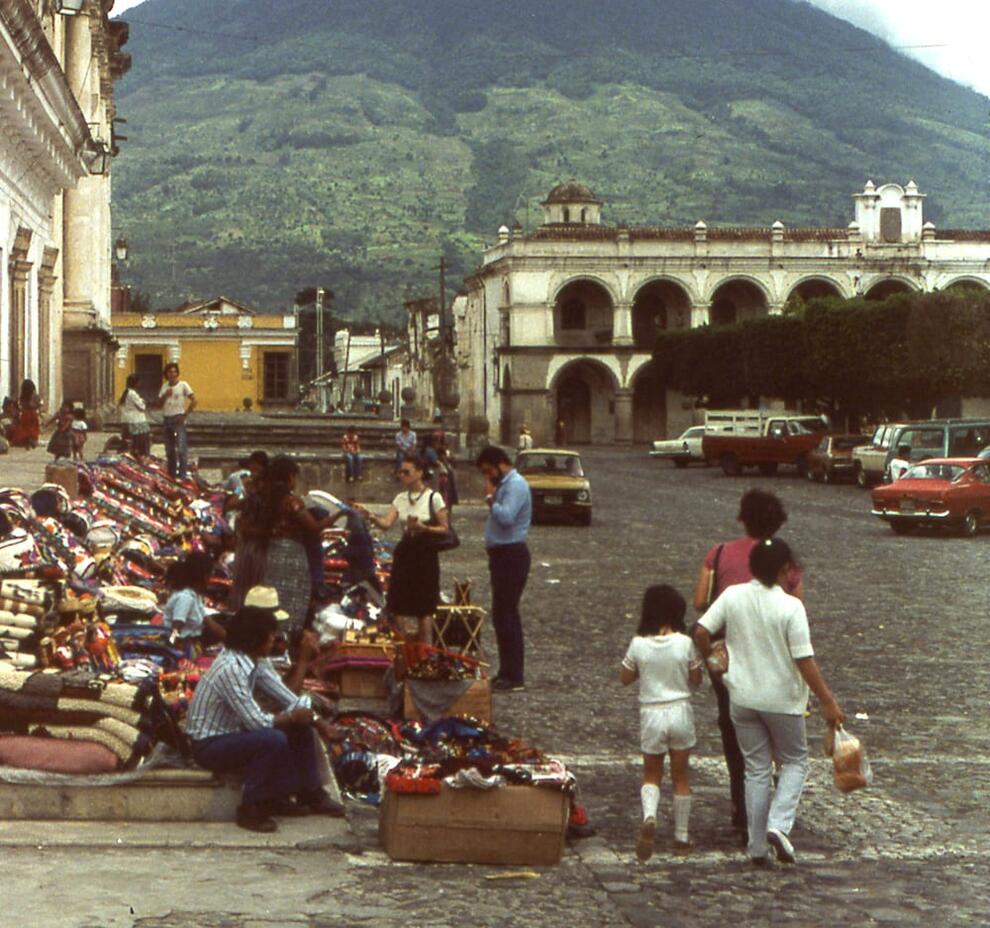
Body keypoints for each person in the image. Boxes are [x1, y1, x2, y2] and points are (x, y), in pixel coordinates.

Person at [694, 539, 844, 867]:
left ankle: (757, 845)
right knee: (794, 762)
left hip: (742, 696)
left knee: (756, 769)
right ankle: (779, 825)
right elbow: (805, 660)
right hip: (782, 700)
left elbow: (702, 631)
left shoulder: (733, 595)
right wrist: (828, 702)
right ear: (782, 569)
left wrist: (716, 663)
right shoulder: (791, 607)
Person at [692, 488, 802, 842]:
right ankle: (774, 814)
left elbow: (698, 603)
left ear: (742, 518)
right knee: (781, 740)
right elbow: (797, 610)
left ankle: (744, 813)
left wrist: (713, 660)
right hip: (775, 657)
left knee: (736, 735)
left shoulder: (719, 553)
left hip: (728, 657)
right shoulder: (787, 560)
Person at [186, 605, 344, 833]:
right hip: (209, 745)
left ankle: (309, 793)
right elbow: (256, 722)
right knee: (273, 739)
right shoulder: (231, 668)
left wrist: (318, 723)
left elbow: (286, 696)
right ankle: (251, 808)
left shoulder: (253, 662)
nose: (274, 639)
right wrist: (292, 717)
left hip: (231, 734)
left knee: (300, 729)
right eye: (269, 635)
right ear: (255, 638)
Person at [620, 585, 703, 862]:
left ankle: (650, 815)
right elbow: (696, 679)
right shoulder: (685, 643)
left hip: (652, 712)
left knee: (651, 775)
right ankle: (681, 836)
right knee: (681, 777)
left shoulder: (638, 643)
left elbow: (625, 677)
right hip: (680, 710)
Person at [358, 454, 449, 643]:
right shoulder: (400, 498)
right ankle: (406, 641)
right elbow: (386, 524)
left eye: (406, 472)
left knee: (424, 605)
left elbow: (445, 528)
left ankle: (424, 647)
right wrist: (371, 516)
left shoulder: (434, 497)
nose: (402, 475)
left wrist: (425, 528)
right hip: (406, 552)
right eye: (400, 472)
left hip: (425, 554)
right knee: (397, 600)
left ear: (419, 473)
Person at [477, 445, 532, 692]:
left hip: (511, 555)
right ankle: (506, 671)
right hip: (501, 555)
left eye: (489, 472)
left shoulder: (516, 485)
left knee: (507, 614)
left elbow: (507, 517)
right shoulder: (505, 485)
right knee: (501, 615)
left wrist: (490, 499)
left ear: (500, 464)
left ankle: (515, 675)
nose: (488, 478)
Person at [260, 456, 336, 631]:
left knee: (275, 595)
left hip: (272, 552)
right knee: (292, 598)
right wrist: (338, 516)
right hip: (292, 554)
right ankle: (289, 635)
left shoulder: (267, 500)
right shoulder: (292, 502)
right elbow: (314, 527)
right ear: (290, 477)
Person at [162, 550, 227, 656]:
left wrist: (232, 641)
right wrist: (172, 651)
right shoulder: (186, 598)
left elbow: (209, 622)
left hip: (192, 645)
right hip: (182, 648)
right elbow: (175, 627)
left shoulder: (195, 596)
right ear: (205, 577)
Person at [230, 452, 271, 610]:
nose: (253, 472)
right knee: (242, 579)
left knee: (255, 579)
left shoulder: (267, 490)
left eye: (256, 468)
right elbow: (234, 504)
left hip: (258, 541)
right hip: (246, 539)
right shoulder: (248, 486)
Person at [157, 363, 196, 480]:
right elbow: (158, 404)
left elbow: (194, 400)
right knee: (169, 450)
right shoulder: (164, 387)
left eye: (174, 372)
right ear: (166, 374)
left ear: (177, 373)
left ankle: (182, 475)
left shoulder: (183, 385)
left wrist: (185, 414)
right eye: (170, 372)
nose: (172, 374)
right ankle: (171, 474)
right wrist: (165, 395)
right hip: (167, 419)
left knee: (181, 449)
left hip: (178, 419)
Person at [119, 374, 151, 458]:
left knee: (128, 441)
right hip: (136, 420)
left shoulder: (126, 393)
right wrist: (143, 402)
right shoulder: (132, 394)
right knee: (140, 442)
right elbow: (142, 407)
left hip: (127, 419)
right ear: (136, 383)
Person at [10, 379, 40, 449]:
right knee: (31, 431)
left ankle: (26, 439)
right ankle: (30, 439)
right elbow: (38, 406)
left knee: (21, 431)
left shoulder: (21, 399)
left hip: (24, 419)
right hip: (31, 419)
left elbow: (17, 410)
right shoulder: (34, 398)